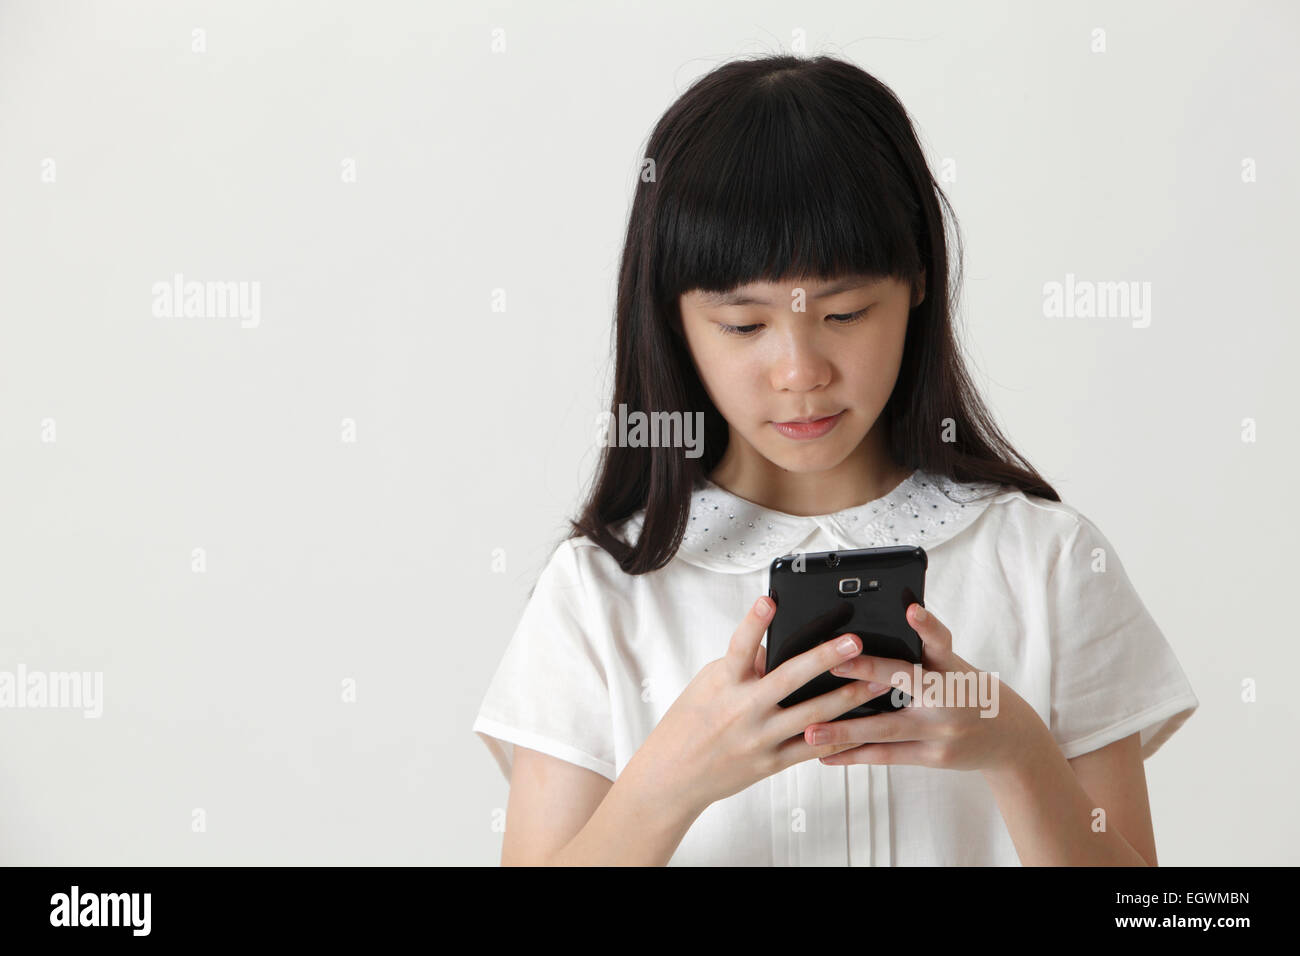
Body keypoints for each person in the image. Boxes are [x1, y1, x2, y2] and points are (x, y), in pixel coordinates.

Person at [471, 53, 1198, 866]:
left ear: (918, 282)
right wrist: (668, 782)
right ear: (673, 319)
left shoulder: (1050, 565)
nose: (800, 371)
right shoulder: (600, 595)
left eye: (845, 312)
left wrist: (1018, 752)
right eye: (744, 326)